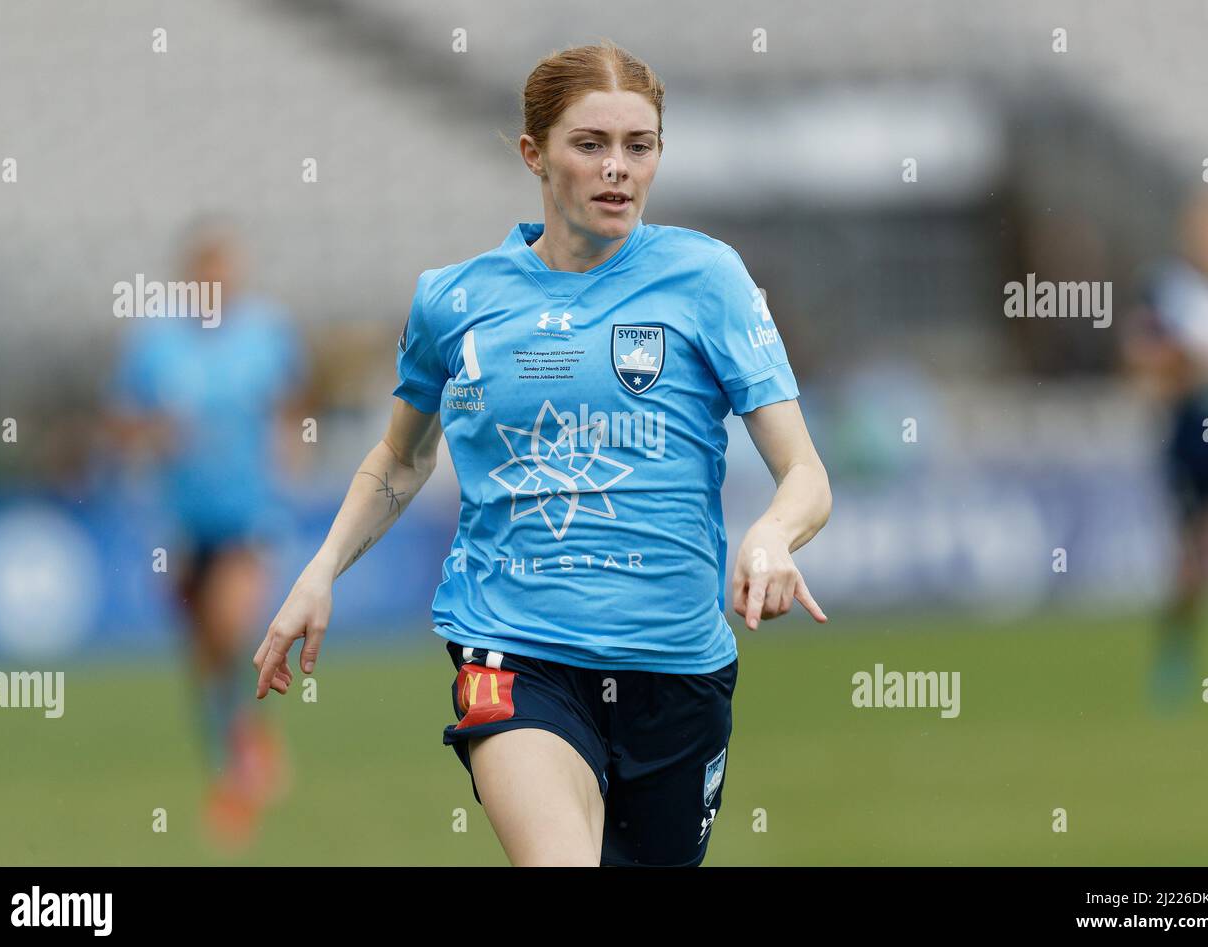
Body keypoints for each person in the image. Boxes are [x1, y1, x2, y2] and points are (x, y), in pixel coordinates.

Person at [255, 39, 832, 865]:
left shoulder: (709, 279)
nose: (618, 170)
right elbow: (401, 458)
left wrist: (773, 536)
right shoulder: (453, 301)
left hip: (677, 672)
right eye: (590, 145)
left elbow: (805, 475)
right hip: (515, 652)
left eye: (640, 146)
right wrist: (320, 570)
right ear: (535, 154)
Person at [111, 218, 306, 847]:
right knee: (204, 656)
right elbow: (123, 423)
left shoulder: (266, 335)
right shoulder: (155, 345)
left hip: (248, 517)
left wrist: (287, 467)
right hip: (182, 522)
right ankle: (242, 756)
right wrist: (154, 435)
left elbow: (291, 411)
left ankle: (240, 767)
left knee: (228, 627)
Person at [1125, 190, 1208, 745]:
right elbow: (1143, 361)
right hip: (1188, 440)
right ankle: (1176, 650)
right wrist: (1192, 363)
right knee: (1189, 569)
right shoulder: (1170, 291)